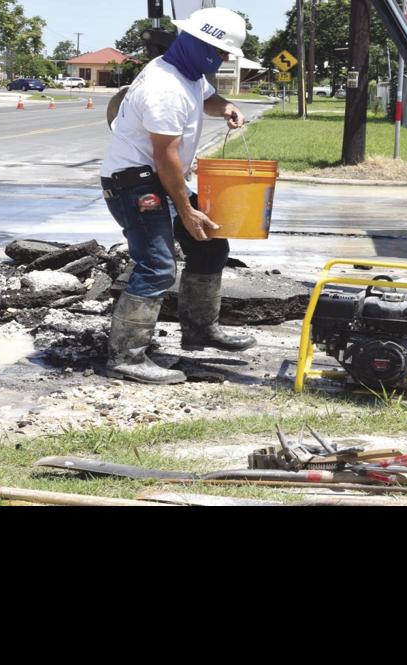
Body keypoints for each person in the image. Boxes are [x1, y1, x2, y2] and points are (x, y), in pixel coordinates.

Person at [100, 6, 254, 384]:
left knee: (210, 245)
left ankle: (199, 331)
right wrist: (185, 209)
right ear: (198, 43)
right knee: (157, 266)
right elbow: (165, 157)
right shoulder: (164, 88)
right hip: (133, 183)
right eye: (220, 53)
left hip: (156, 178)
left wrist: (227, 107)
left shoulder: (188, 72)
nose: (223, 60)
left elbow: (207, 98)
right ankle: (126, 357)